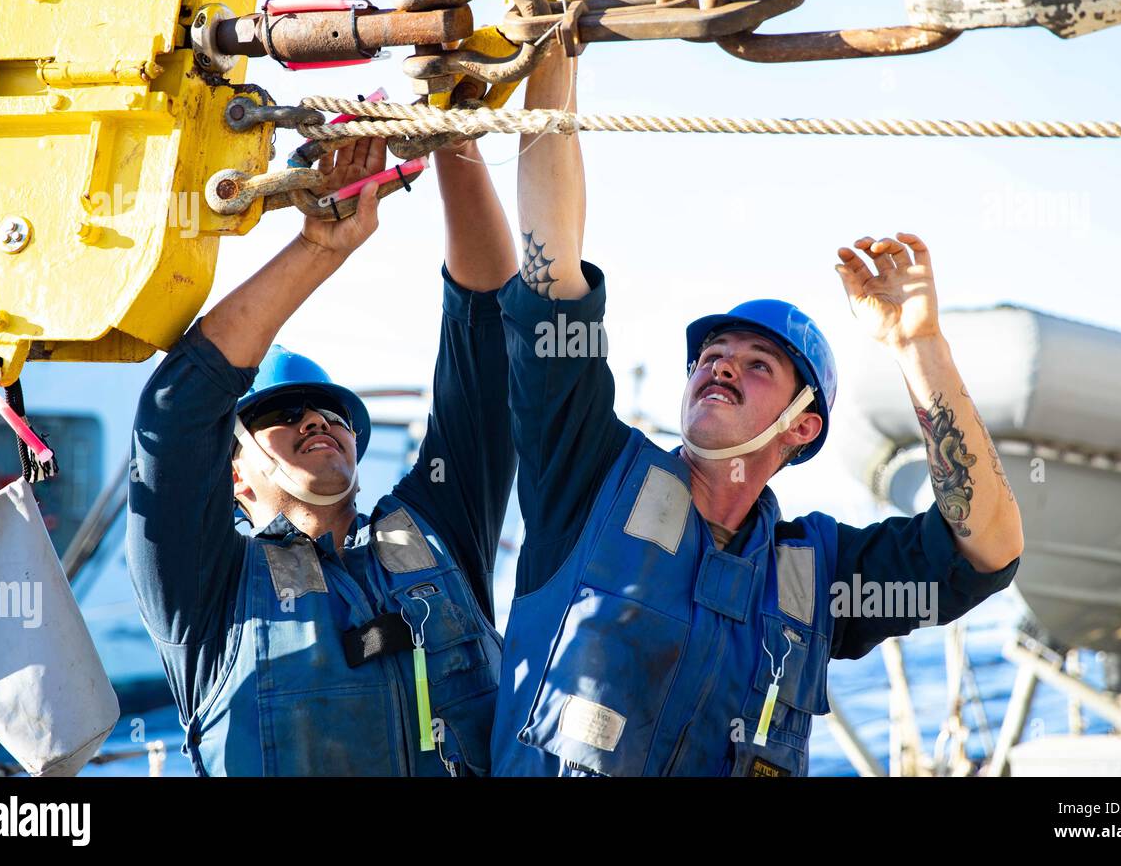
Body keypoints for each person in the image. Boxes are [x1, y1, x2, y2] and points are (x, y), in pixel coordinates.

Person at [490, 47, 1025, 776]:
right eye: (711, 355)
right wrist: (554, 47)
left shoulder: (816, 576)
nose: (720, 366)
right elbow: (552, 271)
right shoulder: (587, 474)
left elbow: (988, 547)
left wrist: (918, 344)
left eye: (757, 365)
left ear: (804, 427)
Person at [126, 134, 517, 775]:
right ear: (234, 475)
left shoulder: (440, 531)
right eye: (282, 415)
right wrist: (319, 247)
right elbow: (175, 414)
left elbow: (488, 335)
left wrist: (456, 134)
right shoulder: (203, 591)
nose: (315, 419)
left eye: (332, 414)